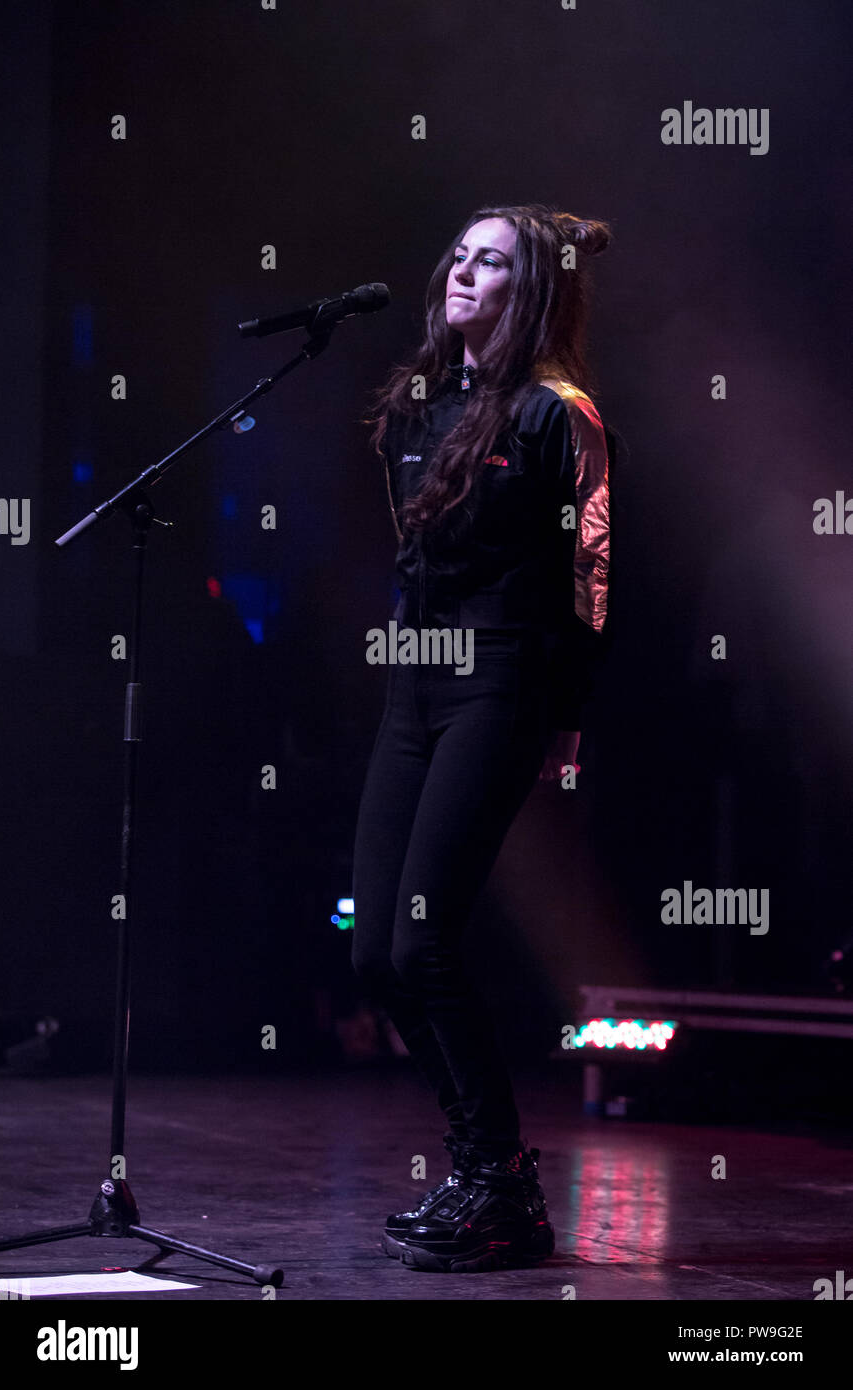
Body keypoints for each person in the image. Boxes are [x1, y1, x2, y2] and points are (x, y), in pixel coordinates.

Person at [351, 203, 613, 1272]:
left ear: (533, 289)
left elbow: (589, 583)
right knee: (375, 954)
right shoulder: (421, 403)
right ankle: (480, 1175)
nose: (461, 273)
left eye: (490, 261)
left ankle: (497, 1181)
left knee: (425, 942)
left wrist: (565, 716)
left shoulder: (562, 415)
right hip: (412, 691)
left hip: (497, 686)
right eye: (455, 253)